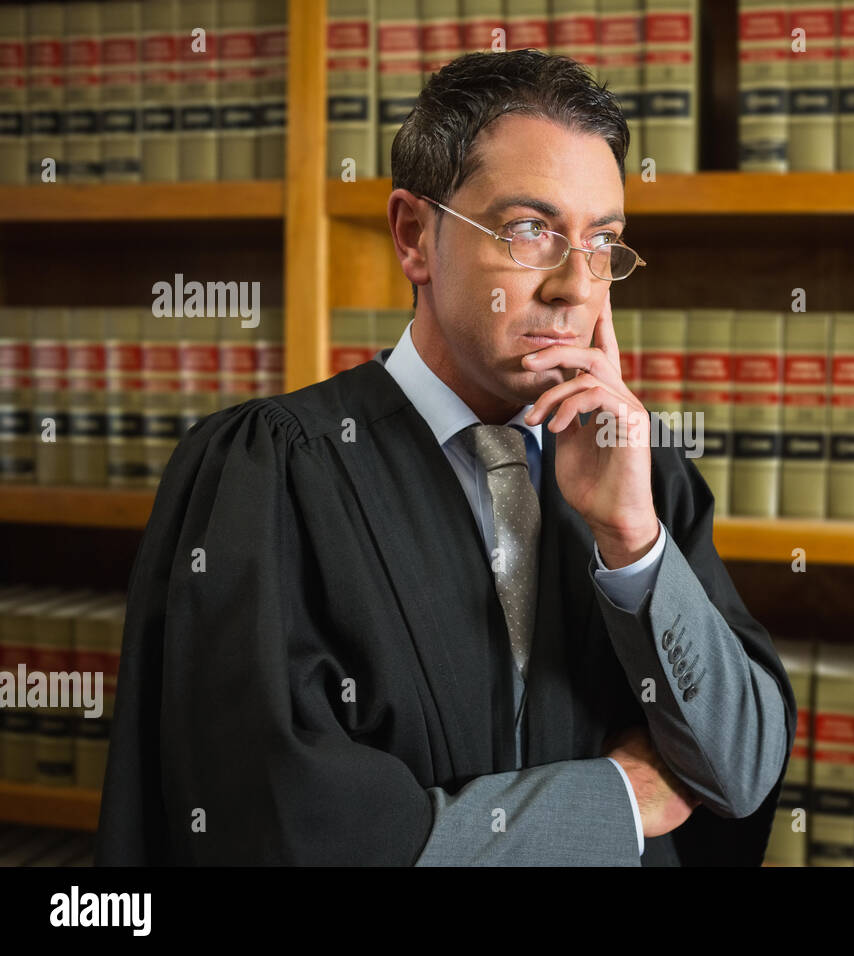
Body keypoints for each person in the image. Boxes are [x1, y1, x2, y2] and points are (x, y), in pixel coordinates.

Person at [96, 50, 795, 866]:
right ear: (414, 236)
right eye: (531, 230)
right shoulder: (272, 474)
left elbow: (740, 773)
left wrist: (634, 546)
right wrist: (610, 802)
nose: (577, 286)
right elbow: (279, 822)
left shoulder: (640, 475)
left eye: (603, 242)